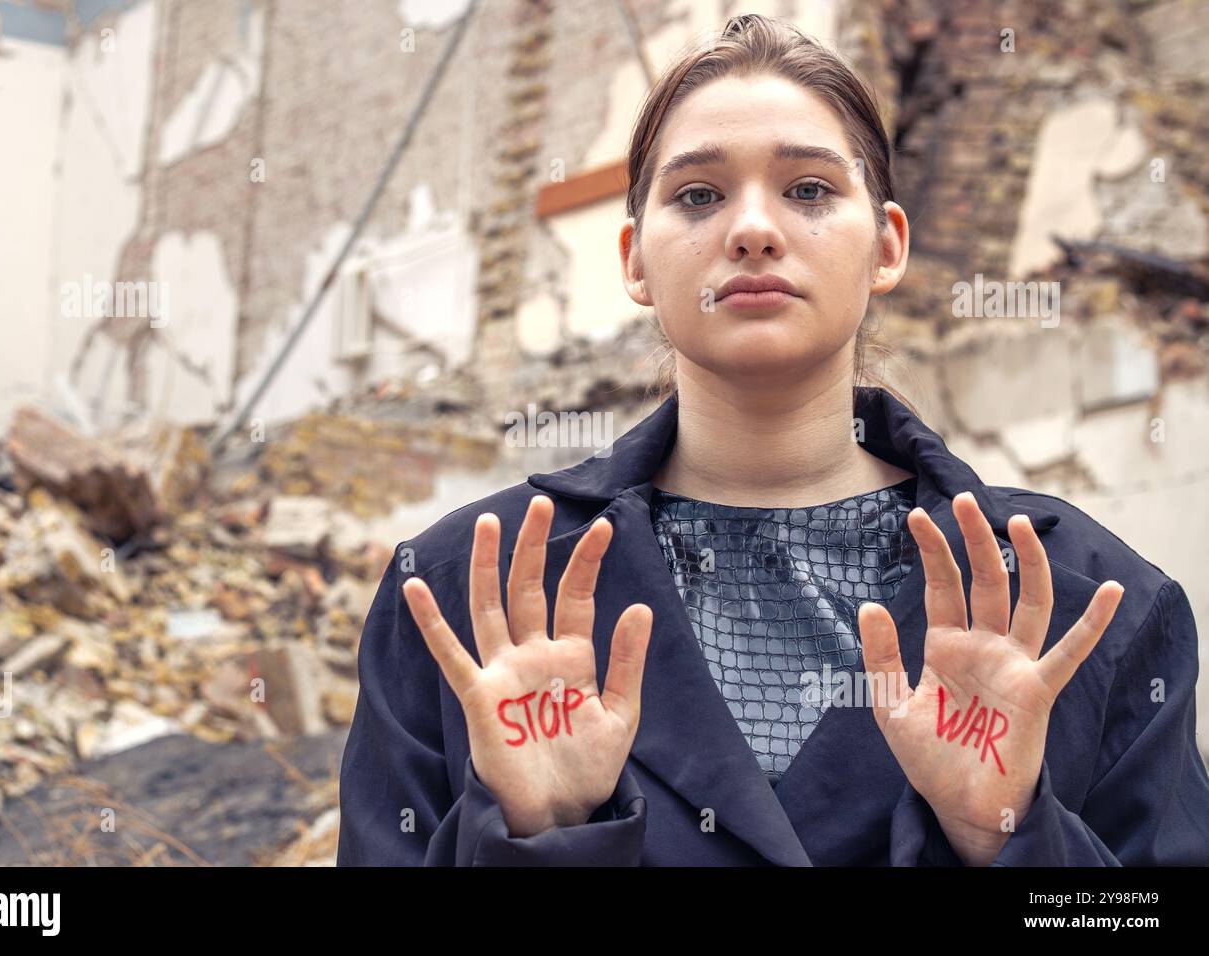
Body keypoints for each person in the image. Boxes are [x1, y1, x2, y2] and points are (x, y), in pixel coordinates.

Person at [335, 14, 1209, 866]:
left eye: (809, 190)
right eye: (699, 195)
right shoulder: (455, 603)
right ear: (635, 258)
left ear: (887, 247)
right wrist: (534, 834)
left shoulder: (1095, 608)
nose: (753, 229)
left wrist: (1008, 838)